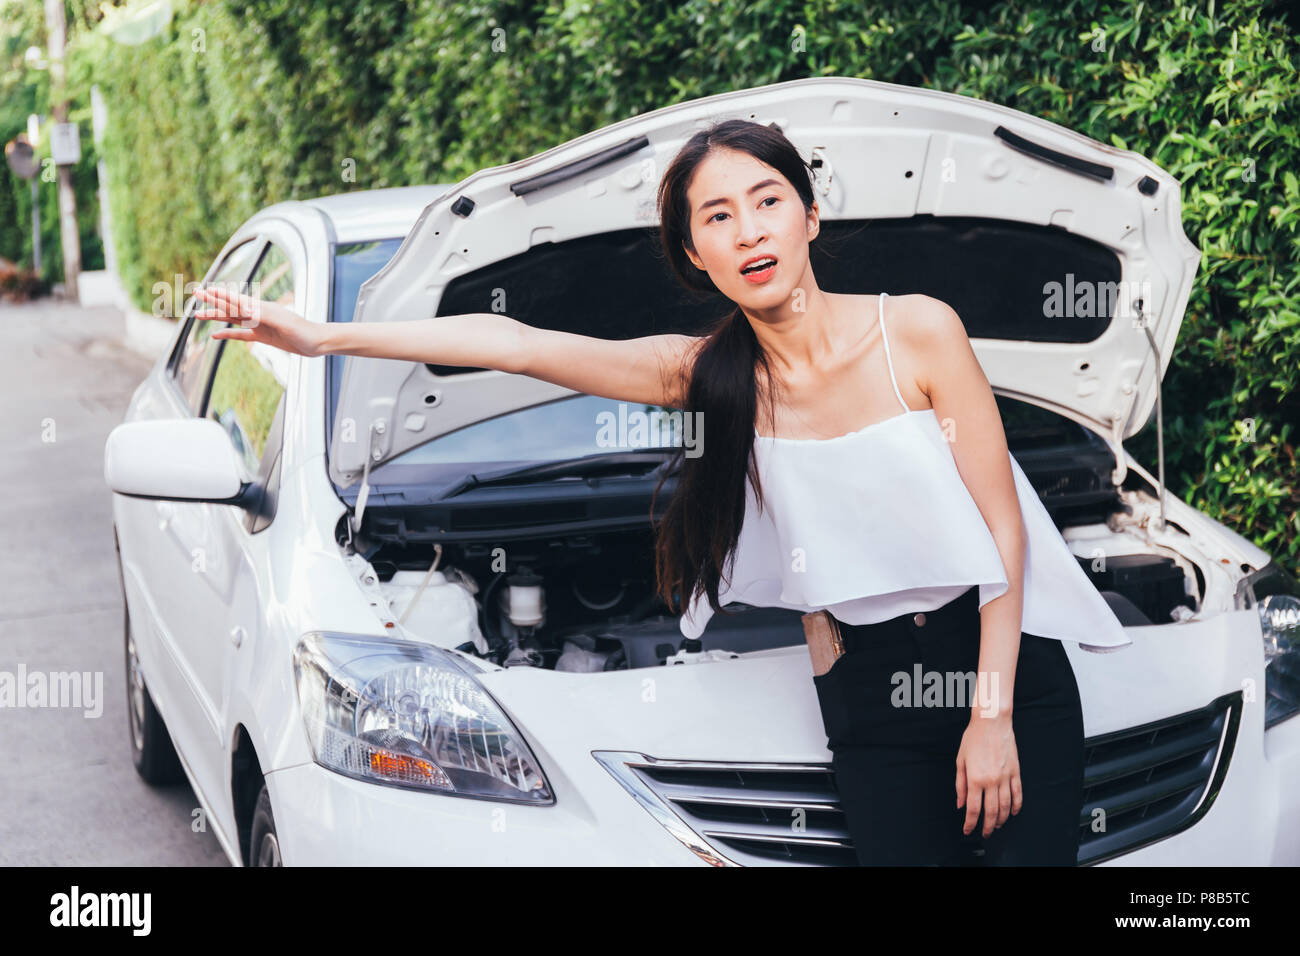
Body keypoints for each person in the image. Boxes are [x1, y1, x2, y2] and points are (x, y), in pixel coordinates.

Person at [193, 118, 1132, 866]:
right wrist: (318, 338)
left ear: (811, 216)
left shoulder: (920, 334)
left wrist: (991, 714)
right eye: (716, 216)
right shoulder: (711, 375)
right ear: (695, 254)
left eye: (767, 200)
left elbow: (1002, 534)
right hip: (867, 700)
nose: (748, 228)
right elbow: (519, 345)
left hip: (1002, 669)